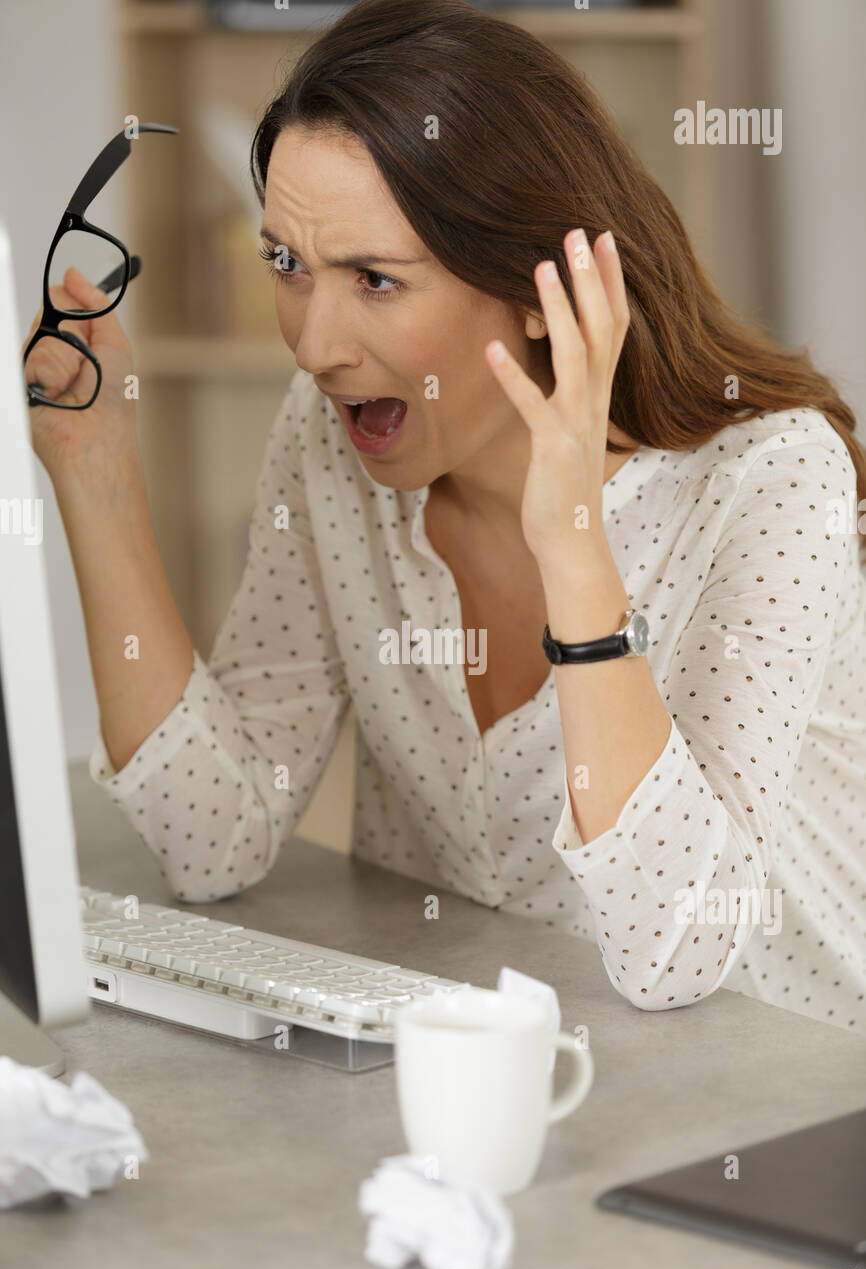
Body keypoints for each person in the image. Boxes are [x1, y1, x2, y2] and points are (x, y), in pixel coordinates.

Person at [24, 0, 866, 1036]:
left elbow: (676, 949)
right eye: (286, 263)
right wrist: (92, 462)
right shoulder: (328, 438)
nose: (315, 344)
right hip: (491, 1082)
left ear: (533, 281)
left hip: (778, 1090)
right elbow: (216, 838)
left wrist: (569, 541)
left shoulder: (772, 479)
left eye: (375, 279)